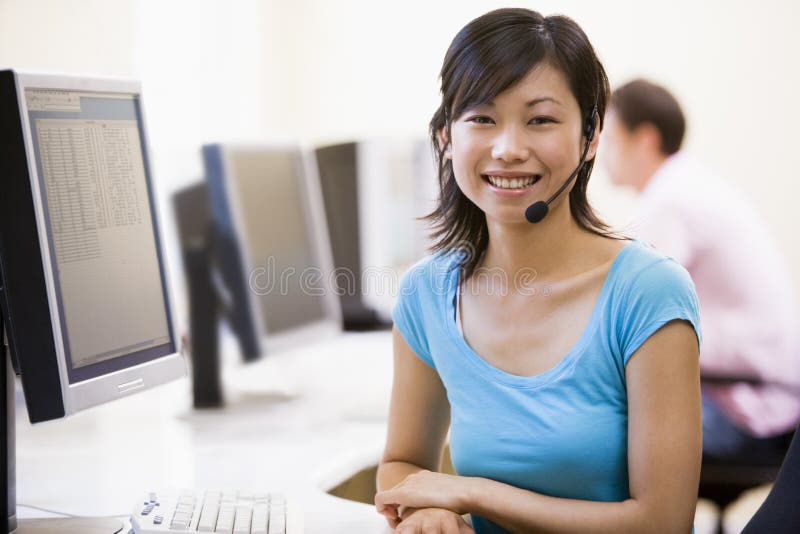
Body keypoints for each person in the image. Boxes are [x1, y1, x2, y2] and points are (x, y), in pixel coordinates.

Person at [374, 8, 703, 534]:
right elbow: (403, 465)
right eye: (481, 118)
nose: (508, 149)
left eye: (540, 119)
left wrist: (473, 493)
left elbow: (663, 522)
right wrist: (429, 508)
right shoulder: (426, 294)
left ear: (590, 136)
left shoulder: (648, 292)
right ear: (445, 137)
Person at [602, 79, 800, 459]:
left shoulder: (669, 201)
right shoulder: (691, 185)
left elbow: (625, 312)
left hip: (751, 410)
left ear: (644, 139)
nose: (602, 154)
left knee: (591, 439)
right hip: (769, 396)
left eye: (610, 139)